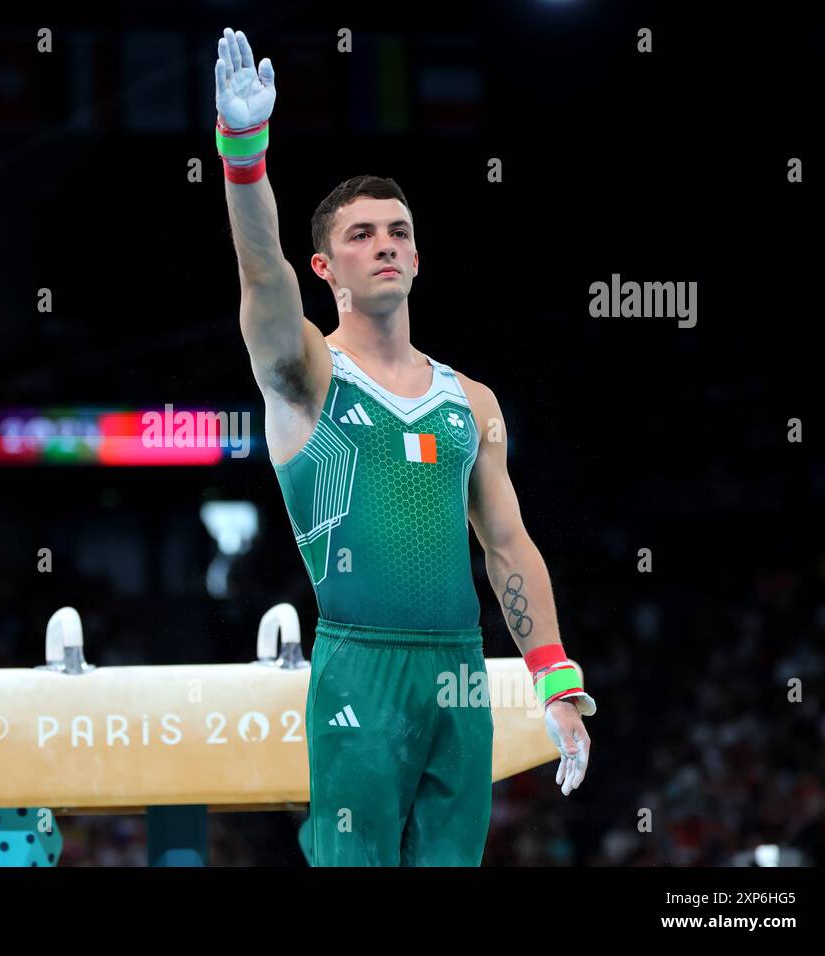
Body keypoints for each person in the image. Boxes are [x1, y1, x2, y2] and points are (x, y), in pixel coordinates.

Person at [214, 27, 596, 866]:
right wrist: (244, 157)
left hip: (461, 673)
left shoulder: (474, 403)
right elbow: (260, 278)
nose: (383, 243)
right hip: (359, 671)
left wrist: (556, 680)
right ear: (326, 268)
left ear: (417, 257)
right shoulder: (307, 375)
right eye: (360, 235)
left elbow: (507, 546)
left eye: (397, 231)